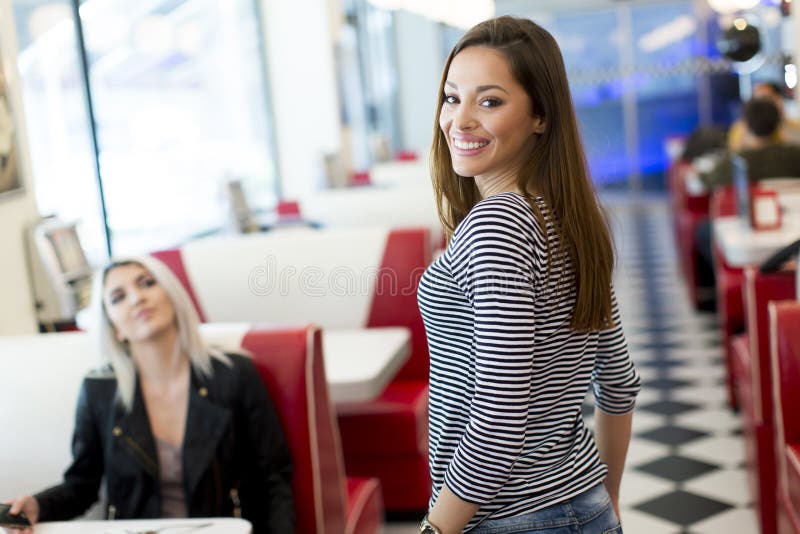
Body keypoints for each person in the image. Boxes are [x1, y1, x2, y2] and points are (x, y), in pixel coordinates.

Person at [417, 16, 641, 534]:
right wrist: (602, 502)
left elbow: (497, 421)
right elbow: (619, 384)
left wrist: (436, 529)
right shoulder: (571, 217)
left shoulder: (499, 223)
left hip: (507, 520)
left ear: (540, 115)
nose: (460, 120)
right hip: (578, 505)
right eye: (453, 98)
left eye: (489, 101)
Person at [3, 256, 294, 533]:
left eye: (146, 283)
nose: (136, 298)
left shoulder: (234, 374)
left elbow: (273, 479)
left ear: (172, 296)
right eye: (118, 297)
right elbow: (82, 486)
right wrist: (38, 506)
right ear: (114, 327)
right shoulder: (99, 390)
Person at [728, 81, 800, 151]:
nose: (762, 107)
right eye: (757, 101)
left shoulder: (795, 127)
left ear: (779, 100)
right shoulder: (741, 129)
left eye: (767, 99)